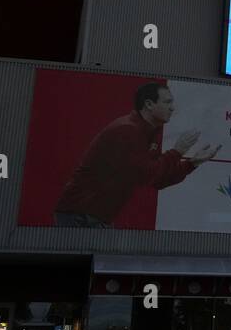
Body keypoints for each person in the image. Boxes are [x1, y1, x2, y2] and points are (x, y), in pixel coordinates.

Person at [52, 82, 220, 228]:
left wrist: (193, 163)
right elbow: (147, 175)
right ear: (149, 104)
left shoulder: (148, 132)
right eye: (167, 102)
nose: (172, 107)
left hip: (93, 217)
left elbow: (159, 180)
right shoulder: (128, 130)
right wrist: (177, 151)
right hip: (80, 216)